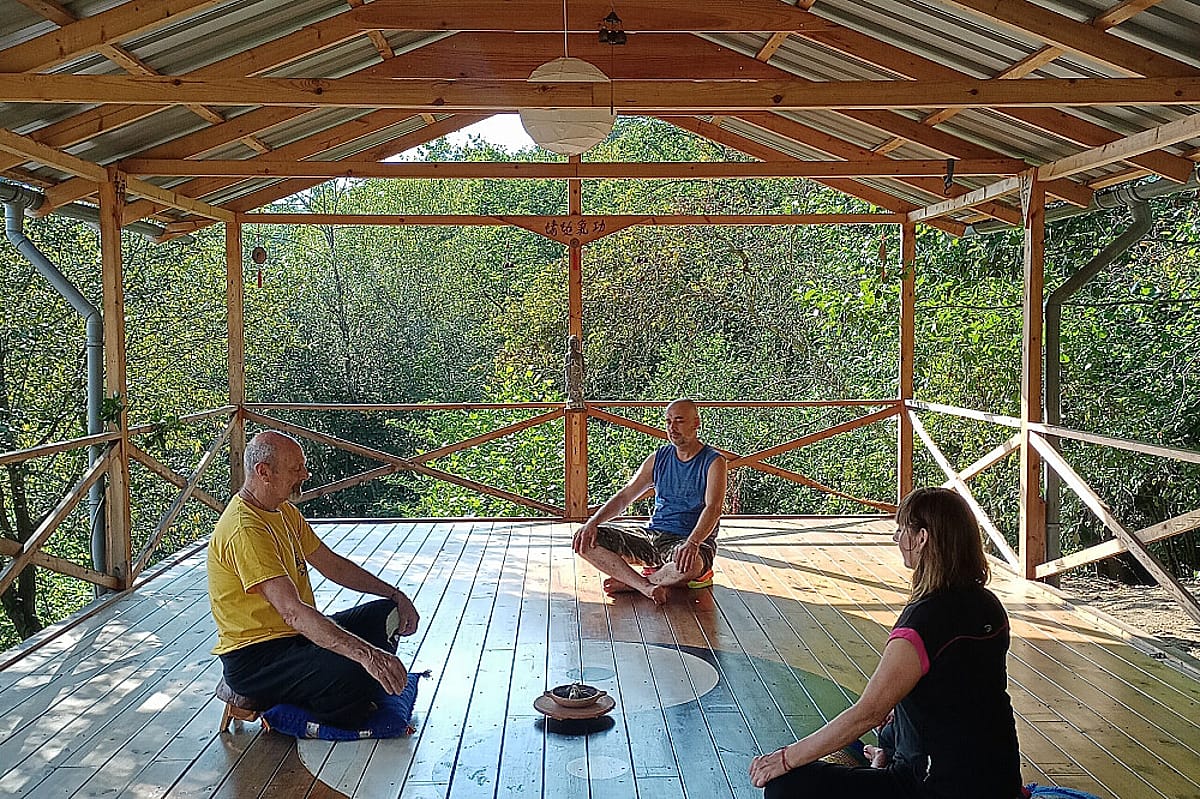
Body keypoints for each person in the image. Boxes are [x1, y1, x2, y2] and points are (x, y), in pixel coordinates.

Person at [749, 487, 1023, 799]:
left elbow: (868, 712)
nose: (896, 539)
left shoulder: (922, 622)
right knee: (879, 735)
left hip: (931, 787)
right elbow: (957, 693)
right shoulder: (989, 606)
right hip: (1001, 782)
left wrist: (785, 759)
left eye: (901, 529)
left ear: (921, 538)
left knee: (786, 785)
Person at [207, 430, 420, 727]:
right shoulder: (245, 529)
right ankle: (322, 699)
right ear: (264, 472)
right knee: (355, 669)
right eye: (296, 469)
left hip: (296, 640)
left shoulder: (282, 511)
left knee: (387, 614)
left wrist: (395, 594)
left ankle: (338, 685)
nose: (305, 475)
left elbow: (332, 565)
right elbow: (293, 612)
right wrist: (366, 655)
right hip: (257, 659)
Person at [572, 398, 728, 605]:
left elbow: (714, 508)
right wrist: (593, 523)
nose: (672, 428)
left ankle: (634, 583)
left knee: (688, 565)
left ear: (696, 423)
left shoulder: (714, 462)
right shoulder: (659, 458)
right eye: (668, 421)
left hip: (690, 541)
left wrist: (692, 543)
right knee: (584, 540)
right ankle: (646, 586)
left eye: (679, 421)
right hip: (654, 536)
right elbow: (625, 495)